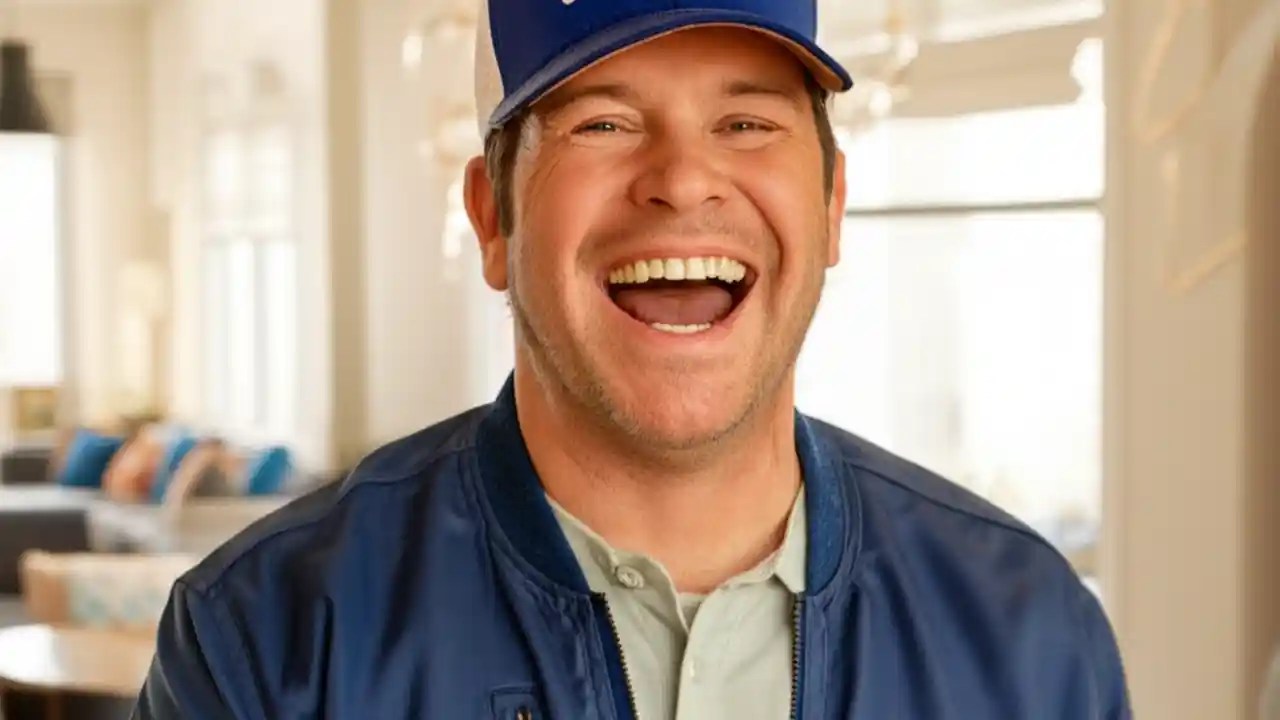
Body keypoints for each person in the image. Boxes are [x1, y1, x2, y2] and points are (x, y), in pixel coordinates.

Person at [133, 1, 1132, 718]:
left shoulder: (1024, 633)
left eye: (745, 122)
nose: (683, 178)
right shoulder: (269, 636)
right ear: (492, 218)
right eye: (603, 121)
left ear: (830, 210)